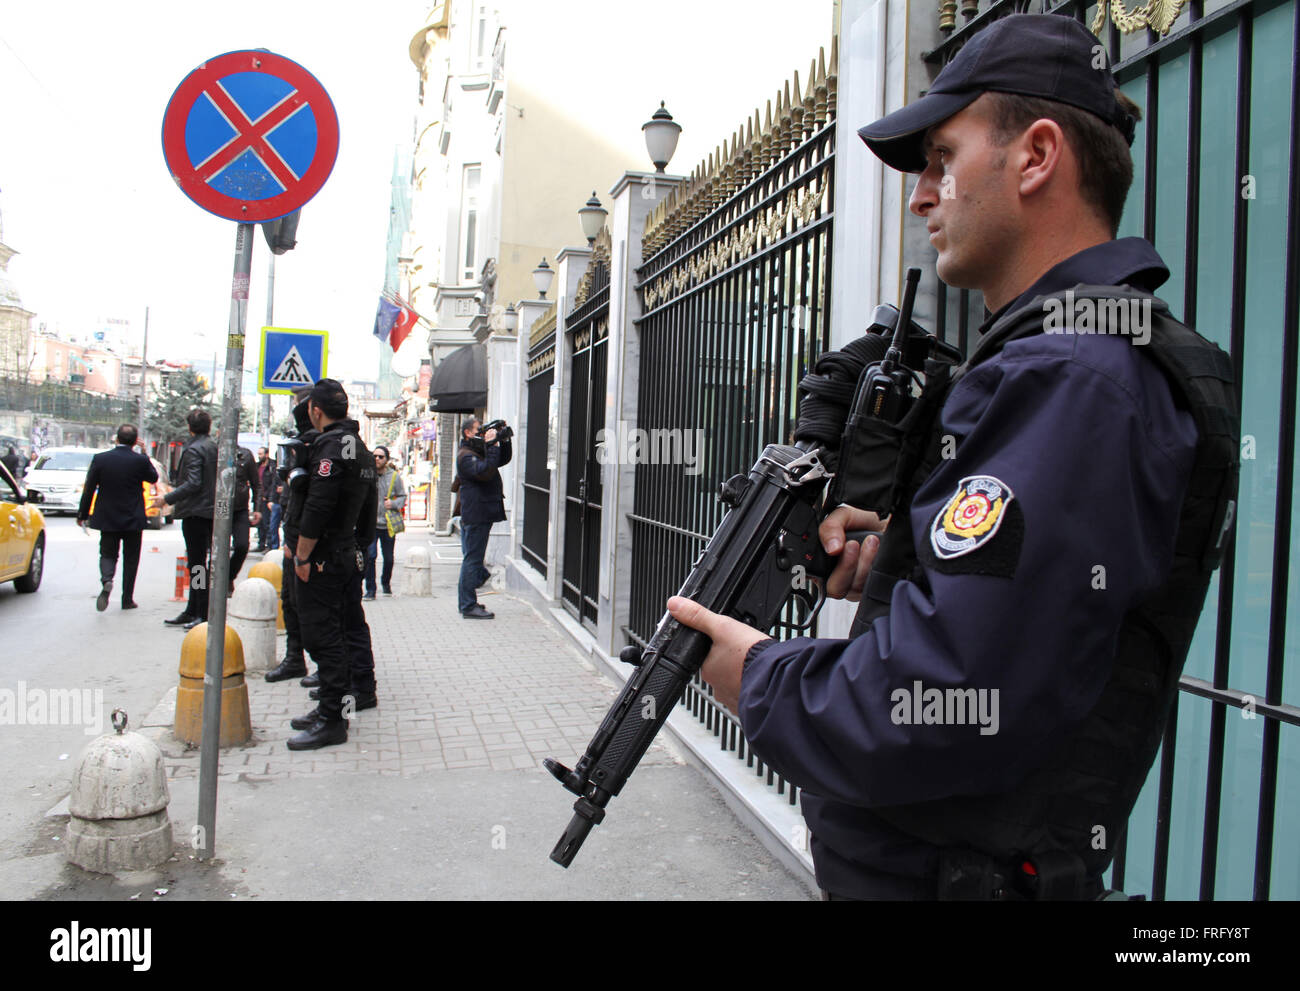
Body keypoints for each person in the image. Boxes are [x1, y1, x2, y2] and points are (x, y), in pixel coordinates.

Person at [669, 13, 1237, 901]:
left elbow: (944, 700)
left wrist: (758, 677)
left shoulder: (1076, 376)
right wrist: (903, 549)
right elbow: (1019, 610)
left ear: (1036, 155)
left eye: (942, 158)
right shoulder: (1060, 359)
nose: (920, 194)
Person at [285, 378, 373, 750]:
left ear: (314, 411)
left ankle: (332, 720)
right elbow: (368, 509)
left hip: (322, 558)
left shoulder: (331, 448)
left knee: (323, 637)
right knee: (340, 631)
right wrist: (359, 548)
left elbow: (318, 506)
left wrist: (303, 554)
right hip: (345, 554)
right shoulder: (360, 448)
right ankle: (331, 707)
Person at [76, 424, 158, 611]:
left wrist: (82, 514)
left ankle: (107, 579)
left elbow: (89, 489)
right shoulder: (139, 461)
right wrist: (144, 453)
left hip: (108, 517)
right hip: (133, 518)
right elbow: (153, 478)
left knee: (107, 553)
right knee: (131, 559)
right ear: (135, 441)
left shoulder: (101, 459)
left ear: (117, 439)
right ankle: (127, 599)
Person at [265, 389, 315, 684]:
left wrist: (296, 544)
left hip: (310, 542)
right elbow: (289, 495)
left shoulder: (321, 447)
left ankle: (328, 670)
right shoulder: (300, 445)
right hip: (295, 535)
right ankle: (295, 658)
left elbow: (314, 502)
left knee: (314, 607)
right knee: (291, 600)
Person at [156, 409, 217, 631]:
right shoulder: (212, 446)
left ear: (189, 427)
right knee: (199, 563)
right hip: (207, 512)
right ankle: (193, 608)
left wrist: (167, 498)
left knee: (197, 564)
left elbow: (193, 482)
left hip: (196, 512)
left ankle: (200, 611)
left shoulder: (194, 449)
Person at [455, 418, 511, 619]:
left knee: (473, 559)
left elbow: (500, 460)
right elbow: (486, 472)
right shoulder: (465, 456)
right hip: (476, 514)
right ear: (468, 433)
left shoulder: (475, 451)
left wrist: (503, 440)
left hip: (480, 513)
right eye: (479, 430)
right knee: (472, 560)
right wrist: (491, 444)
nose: (483, 432)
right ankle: (468, 605)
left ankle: (469, 600)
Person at [364, 445, 405, 599]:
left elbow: (402, 496)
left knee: (388, 558)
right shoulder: (367, 475)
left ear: (386, 459)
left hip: (388, 524)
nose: (377, 459)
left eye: (380, 457)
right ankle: (370, 589)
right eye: (374, 456)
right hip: (371, 523)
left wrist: (393, 504)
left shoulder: (394, 477)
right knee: (370, 556)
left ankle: (386, 583)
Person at [228, 443, 262, 593]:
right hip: (217, 509)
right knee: (210, 553)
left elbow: (256, 484)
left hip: (239, 508)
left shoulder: (245, 455)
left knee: (242, 546)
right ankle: (205, 591)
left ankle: (228, 577)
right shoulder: (212, 452)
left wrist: (257, 508)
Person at [255, 447, 274, 551]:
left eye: (261, 454)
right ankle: (261, 544)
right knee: (259, 522)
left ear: (266, 454)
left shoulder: (271, 466)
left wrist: (268, 497)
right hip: (259, 497)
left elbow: (273, 483)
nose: (259, 456)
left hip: (267, 498)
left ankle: (269, 544)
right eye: (258, 454)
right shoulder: (257, 466)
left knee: (267, 522)